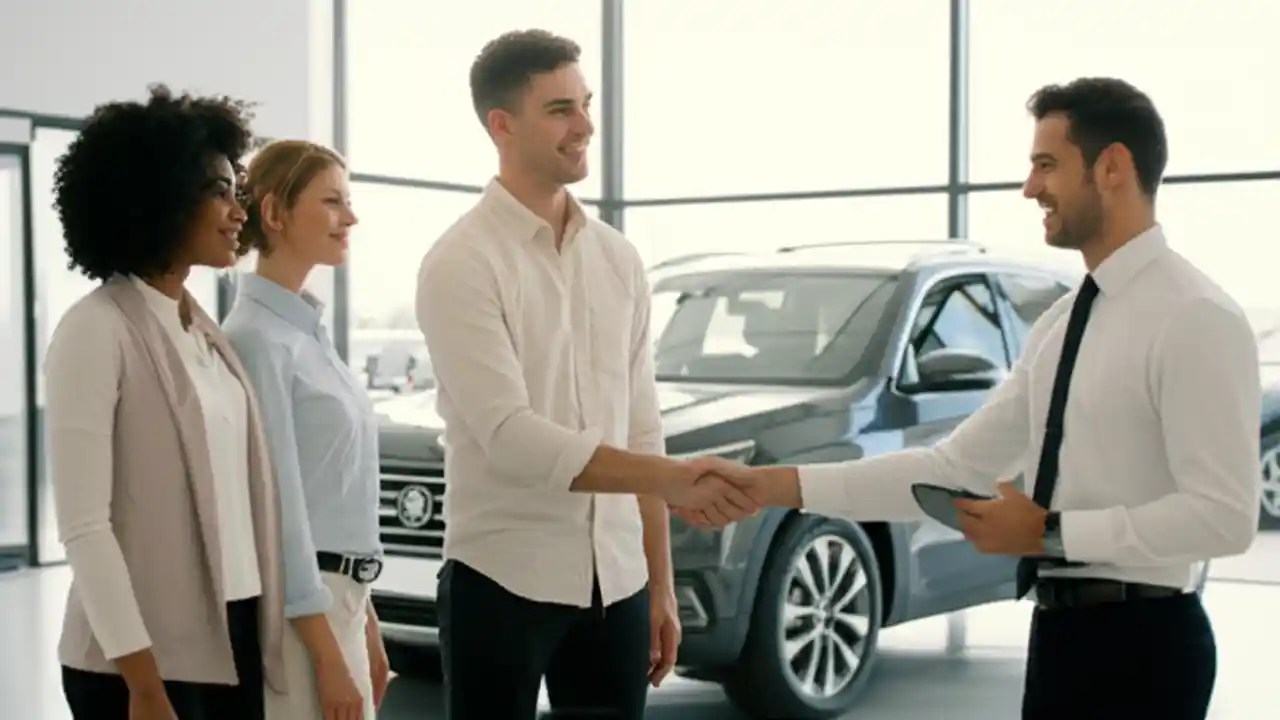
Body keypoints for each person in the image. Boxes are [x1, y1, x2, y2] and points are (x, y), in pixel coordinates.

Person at [680, 77, 1261, 720]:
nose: (1030, 188)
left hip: (1147, 646)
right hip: (1061, 636)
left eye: (1047, 164)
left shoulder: (1196, 316)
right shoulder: (1063, 324)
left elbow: (1225, 516)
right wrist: (768, 486)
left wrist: (1051, 534)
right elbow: (949, 469)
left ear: (1113, 166)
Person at [415, 29, 757, 719]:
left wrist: (660, 584)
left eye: (587, 104)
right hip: (500, 579)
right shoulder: (461, 262)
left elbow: (642, 426)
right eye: (561, 109)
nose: (586, 127)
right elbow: (512, 437)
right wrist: (673, 479)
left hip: (620, 584)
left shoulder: (619, 259)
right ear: (502, 126)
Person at [45, 85, 286, 720]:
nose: (239, 210)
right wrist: (143, 683)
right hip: (135, 662)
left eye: (236, 189)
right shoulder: (95, 329)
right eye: (217, 190)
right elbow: (85, 527)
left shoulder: (204, 333)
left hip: (230, 635)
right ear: (156, 196)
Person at [222, 139, 391, 719]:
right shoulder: (256, 340)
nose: (351, 217)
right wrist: (326, 656)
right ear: (274, 213)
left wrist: (366, 623)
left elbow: (337, 501)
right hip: (305, 625)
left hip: (341, 606)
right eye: (333, 201)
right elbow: (282, 514)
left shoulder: (306, 332)